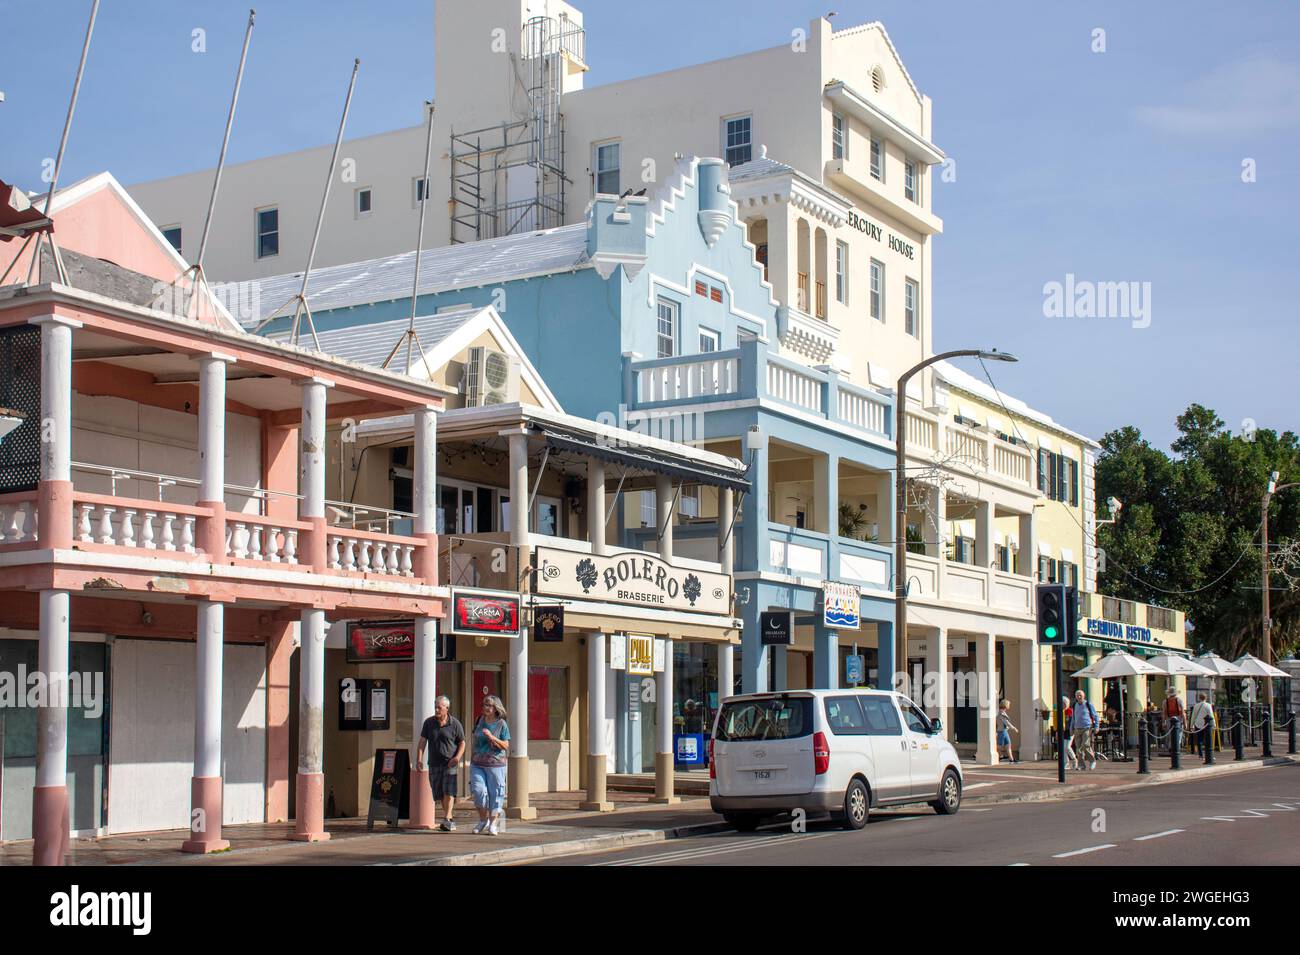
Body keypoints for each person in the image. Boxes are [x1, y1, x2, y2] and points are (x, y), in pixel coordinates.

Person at [416, 695, 465, 832]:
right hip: (434, 763)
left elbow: (462, 742)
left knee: (448, 790)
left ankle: (447, 818)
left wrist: (457, 757)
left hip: (450, 763)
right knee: (438, 793)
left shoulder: (455, 724)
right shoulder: (429, 723)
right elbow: (422, 742)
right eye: (435, 707)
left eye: (439, 707)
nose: (436, 710)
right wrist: (419, 759)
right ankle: (448, 817)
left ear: (447, 708)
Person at [470, 695, 511, 835]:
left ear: (495, 708)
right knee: (478, 791)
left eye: (489, 705)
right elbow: (474, 740)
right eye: (484, 705)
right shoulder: (478, 720)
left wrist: (492, 737)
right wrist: (472, 756)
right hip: (478, 763)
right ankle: (483, 820)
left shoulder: (501, 724)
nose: (485, 707)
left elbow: (506, 745)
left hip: (496, 765)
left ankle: (493, 823)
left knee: (496, 795)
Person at [1069, 689, 1098, 770]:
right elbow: (1073, 718)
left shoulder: (1088, 704)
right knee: (1078, 748)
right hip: (1077, 728)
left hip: (1087, 727)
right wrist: (1071, 728)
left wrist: (1096, 726)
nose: (1079, 697)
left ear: (1083, 696)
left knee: (1085, 745)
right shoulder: (1075, 705)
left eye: (1080, 695)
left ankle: (1092, 761)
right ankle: (1081, 765)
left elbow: (1095, 716)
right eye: (1077, 695)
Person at [1190, 692, 1215, 758]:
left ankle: (1200, 754)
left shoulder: (1196, 705)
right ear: (1206, 698)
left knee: (1199, 740)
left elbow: (1193, 716)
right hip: (1206, 724)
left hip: (1197, 723)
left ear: (1199, 698)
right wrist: (1214, 724)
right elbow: (1211, 715)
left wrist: (1191, 725)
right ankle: (1208, 754)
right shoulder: (1208, 705)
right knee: (1207, 739)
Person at [1163, 687, 1186, 754]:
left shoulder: (1165, 701)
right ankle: (1176, 747)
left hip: (1168, 719)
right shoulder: (1179, 700)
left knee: (1170, 734)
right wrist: (1185, 722)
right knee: (1179, 734)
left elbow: (1164, 712)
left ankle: (1170, 747)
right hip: (1178, 719)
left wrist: (1163, 722)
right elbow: (1182, 712)